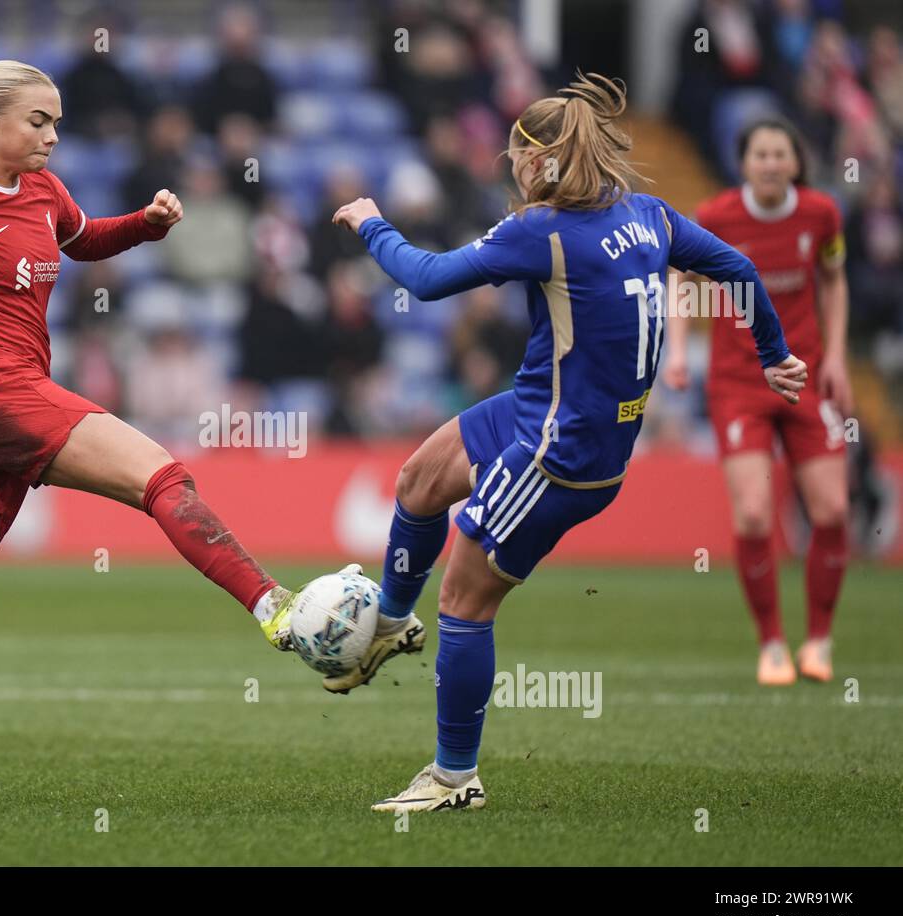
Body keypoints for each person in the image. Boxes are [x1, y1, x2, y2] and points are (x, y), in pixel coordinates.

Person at [0, 60, 400, 808]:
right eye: (37, 121)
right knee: (163, 477)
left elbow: (83, 241)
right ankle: (274, 609)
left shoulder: (45, 191)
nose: (53, 134)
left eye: (56, 121)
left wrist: (145, 227)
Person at [331, 73, 808, 813]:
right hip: (542, 409)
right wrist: (774, 353)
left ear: (536, 160)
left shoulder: (543, 232)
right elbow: (737, 270)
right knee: (421, 479)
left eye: (516, 154)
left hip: (559, 455)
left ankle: (455, 777)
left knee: (464, 597)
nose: (511, 166)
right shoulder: (649, 216)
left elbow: (424, 280)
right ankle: (390, 623)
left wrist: (370, 222)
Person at [663, 116, 850, 685]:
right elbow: (680, 276)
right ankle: (771, 643)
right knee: (751, 515)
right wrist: (677, 349)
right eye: (760, 154)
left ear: (795, 161)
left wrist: (837, 356)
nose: (770, 163)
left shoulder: (821, 214)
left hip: (804, 377)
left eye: (779, 154)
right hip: (738, 383)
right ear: (743, 163)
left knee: (834, 512)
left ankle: (818, 639)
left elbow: (835, 280)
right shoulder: (718, 217)